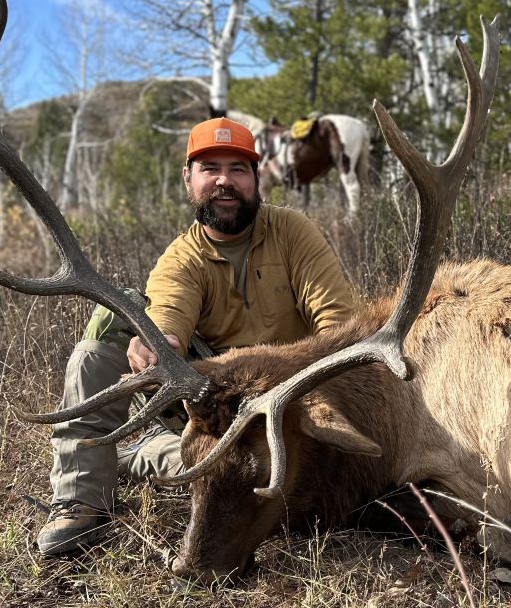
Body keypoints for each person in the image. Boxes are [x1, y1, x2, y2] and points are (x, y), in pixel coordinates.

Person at [37, 117, 358, 555]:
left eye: (238, 169)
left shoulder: (293, 231)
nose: (225, 180)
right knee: (101, 339)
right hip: (212, 405)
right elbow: (168, 314)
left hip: (287, 403)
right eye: (211, 169)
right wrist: (159, 343)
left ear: (256, 178)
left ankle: (148, 455)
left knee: (250, 468)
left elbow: (339, 327)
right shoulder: (182, 257)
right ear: (188, 178)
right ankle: (80, 500)